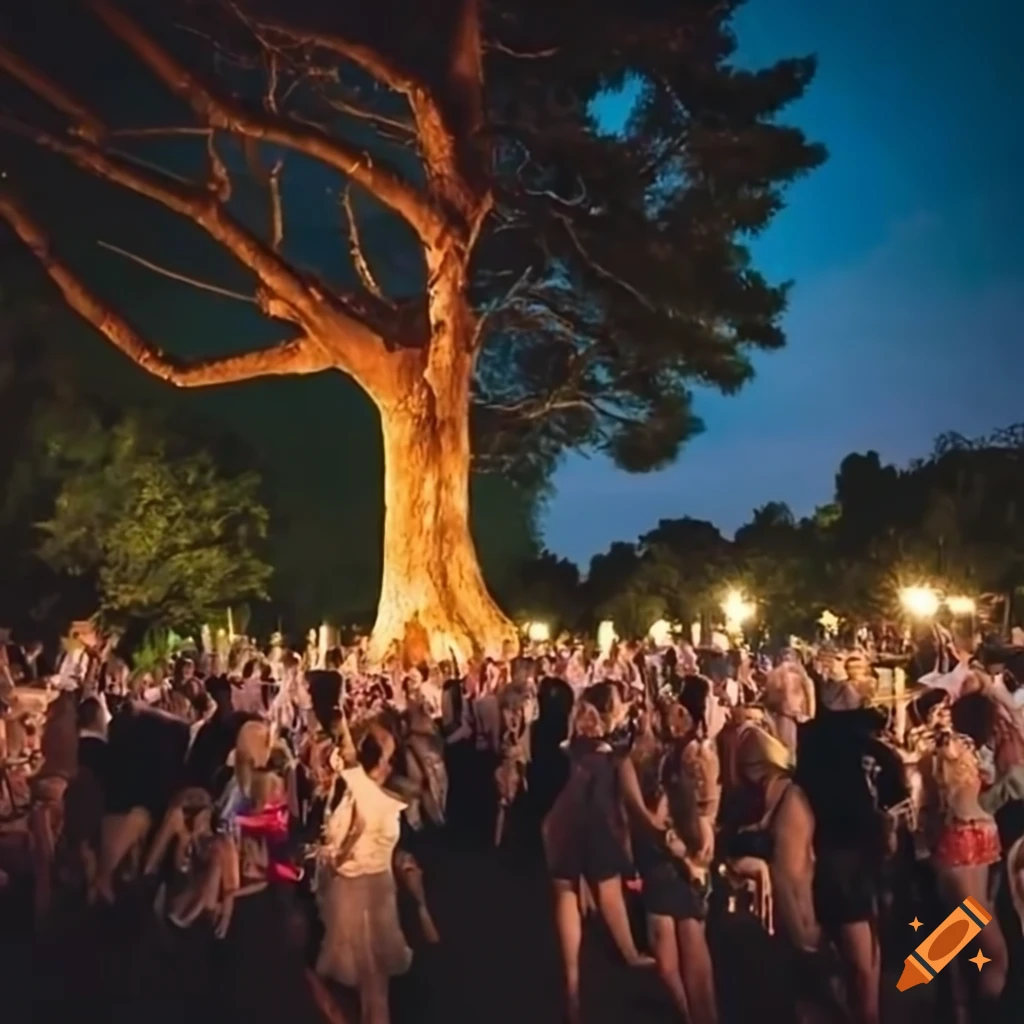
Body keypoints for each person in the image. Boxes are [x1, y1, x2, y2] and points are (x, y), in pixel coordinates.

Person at [542, 681, 654, 1024]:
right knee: (609, 888)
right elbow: (629, 800)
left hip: (561, 823)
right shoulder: (613, 752)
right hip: (596, 820)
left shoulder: (567, 744)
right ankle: (630, 952)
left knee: (565, 892)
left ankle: (572, 985)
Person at [316, 715, 411, 1024]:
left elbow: (345, 759)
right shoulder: (373, 797)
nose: (390, 765)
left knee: (367, 987)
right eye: (387, 758)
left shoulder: (360, 795)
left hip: (355, 893)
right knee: (375, 987)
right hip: (372, 894)